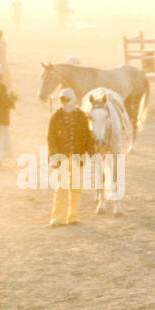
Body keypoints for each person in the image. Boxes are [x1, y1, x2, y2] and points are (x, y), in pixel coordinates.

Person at [46, 88, 95, 227]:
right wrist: (54, 155)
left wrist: (91, 153)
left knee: (76, 187)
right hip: (62, 158)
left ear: (72, 99)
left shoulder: (81, 116)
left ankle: (73, 216)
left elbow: (87, 135)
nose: (64, 102)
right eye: (62, 99)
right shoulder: (56, 116)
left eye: (66, 99)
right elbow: (51, 138)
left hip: (78, 157)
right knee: (61, 187)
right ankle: (57, 218)